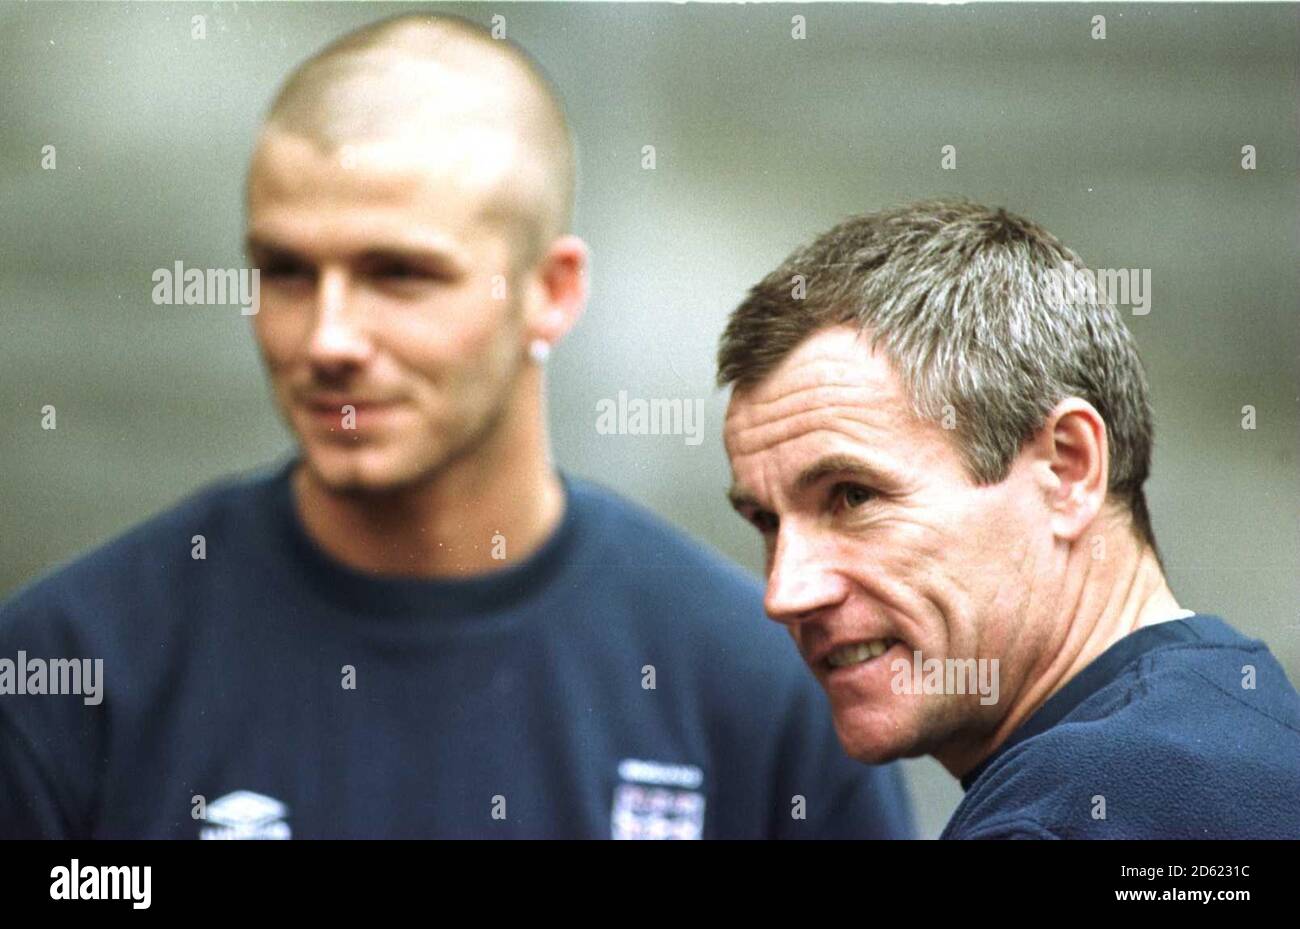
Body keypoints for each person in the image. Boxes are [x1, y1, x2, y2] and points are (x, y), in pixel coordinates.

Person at [0, 14, 913, 840]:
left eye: (399, 274)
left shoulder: (757, 687)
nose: (329, 339)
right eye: (285, 272)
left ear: (550, 292)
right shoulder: (69, 668)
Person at [717, 199, 1300, 839]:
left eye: (854, 497)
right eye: (766, 523)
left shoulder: (1082, 815)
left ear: (1068, 470)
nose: (784, 593)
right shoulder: (1238, 732)